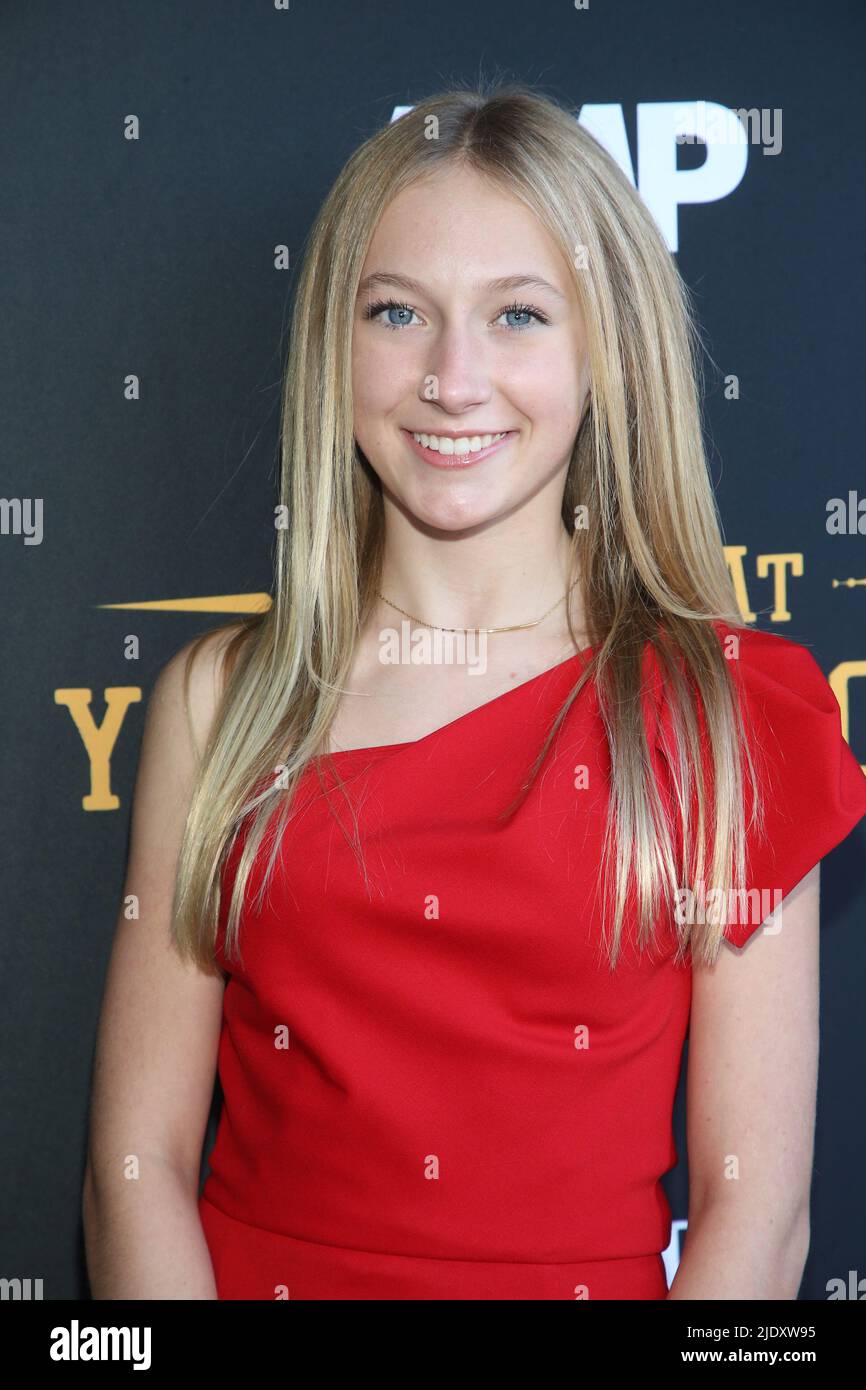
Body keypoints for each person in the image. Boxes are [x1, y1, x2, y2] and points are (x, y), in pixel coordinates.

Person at [82, 81, 866, 1301]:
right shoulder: (217, 702)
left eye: (517, 317)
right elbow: (134, 1164)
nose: (452, 379)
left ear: (607, 347)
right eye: (398, 311)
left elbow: (752, 1222)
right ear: (332, 344)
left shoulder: (729, 714)